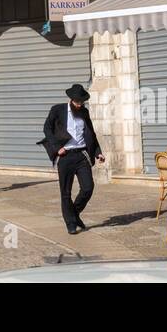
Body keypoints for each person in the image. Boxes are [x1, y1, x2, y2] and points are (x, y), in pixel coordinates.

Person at [39, 83, 105, 234]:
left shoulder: (84, 112)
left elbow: (91, 134)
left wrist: (97, 152)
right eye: (77, 102)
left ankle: (74, 214)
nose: (79, 104)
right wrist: (57, 148)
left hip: (82, 155)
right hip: (65, 156)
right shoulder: (58, 110)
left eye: (81, 102)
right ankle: (70, 223)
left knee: (88, 188)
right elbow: (47, 129)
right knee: (66, 192)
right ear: (71, 100)